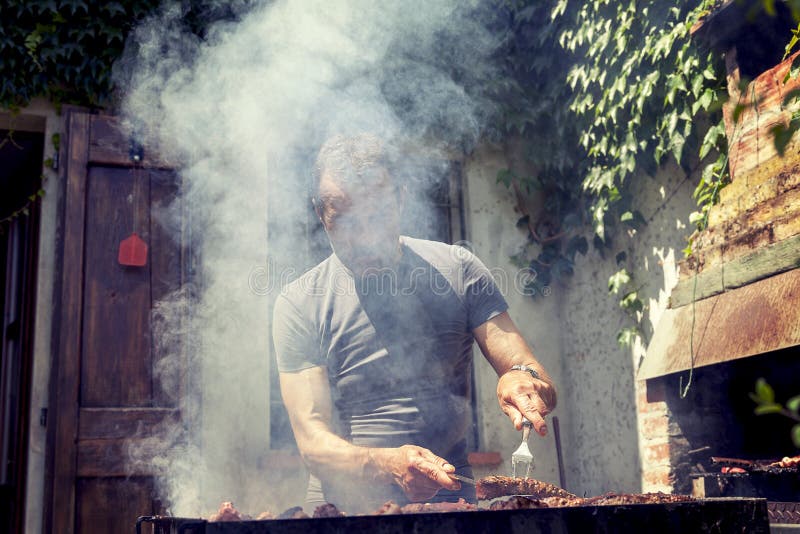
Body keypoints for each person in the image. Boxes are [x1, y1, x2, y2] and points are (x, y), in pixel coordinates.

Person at [272, 133, 556, 513]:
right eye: (343, 220)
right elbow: (313, 443)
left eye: (376, 215)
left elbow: (531, 373)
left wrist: (522, 380)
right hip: (342, 516)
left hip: (450, 507)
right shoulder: (300, 303)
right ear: (320, 214)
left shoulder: (458, 271)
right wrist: (388, 464)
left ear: (401, 199)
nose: (363, 237)